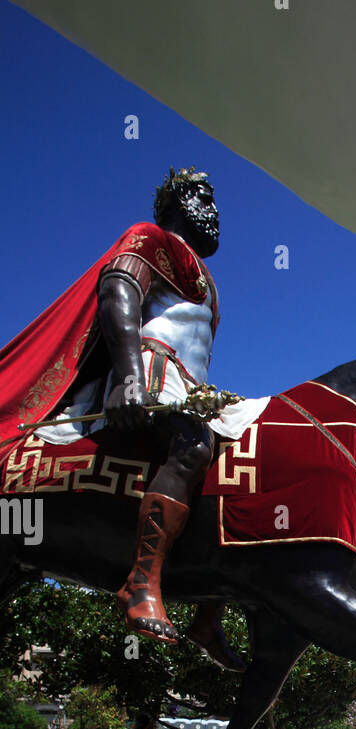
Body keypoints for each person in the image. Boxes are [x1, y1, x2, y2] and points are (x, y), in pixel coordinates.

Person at [0, 167, 258, 669]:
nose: (215, 210)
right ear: (175, 205)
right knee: (192, 444)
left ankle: (209, 614)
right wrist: (130, 375)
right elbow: (119, 294)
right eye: (202, 197)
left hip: (191, 385)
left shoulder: (209, 281)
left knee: (244, 466)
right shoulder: (150, 238)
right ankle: (140, 583)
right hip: (149, 369)